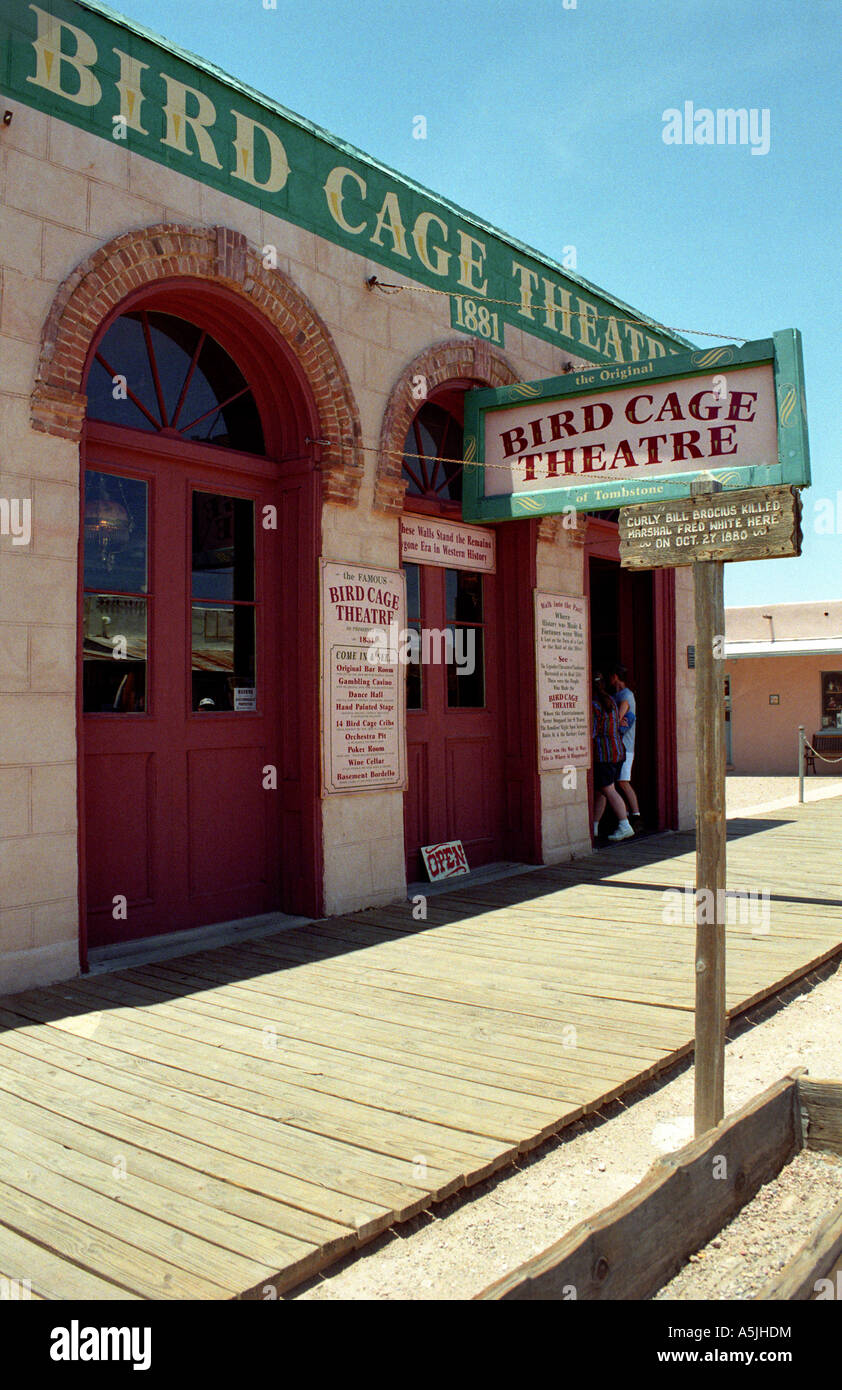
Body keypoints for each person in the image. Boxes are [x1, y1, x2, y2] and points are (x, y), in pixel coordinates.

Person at [592, 672, 634, 842]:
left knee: (608, 789)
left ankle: (625, 825)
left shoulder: (595, 705)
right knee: (602, 790)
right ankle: (594, 826)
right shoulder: (611, 701)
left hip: (604, 752)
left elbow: (593, 731)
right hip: (617, 750)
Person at [608, 662, 641, 832]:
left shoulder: (626, 696)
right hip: (617, 747)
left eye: (611, 675)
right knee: (615, 783)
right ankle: (625, 814)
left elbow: (617, 718)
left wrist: (613, 720)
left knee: (622, 781)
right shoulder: (618, 694)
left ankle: (635, 815)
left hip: (625, 747)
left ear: (616, 677)